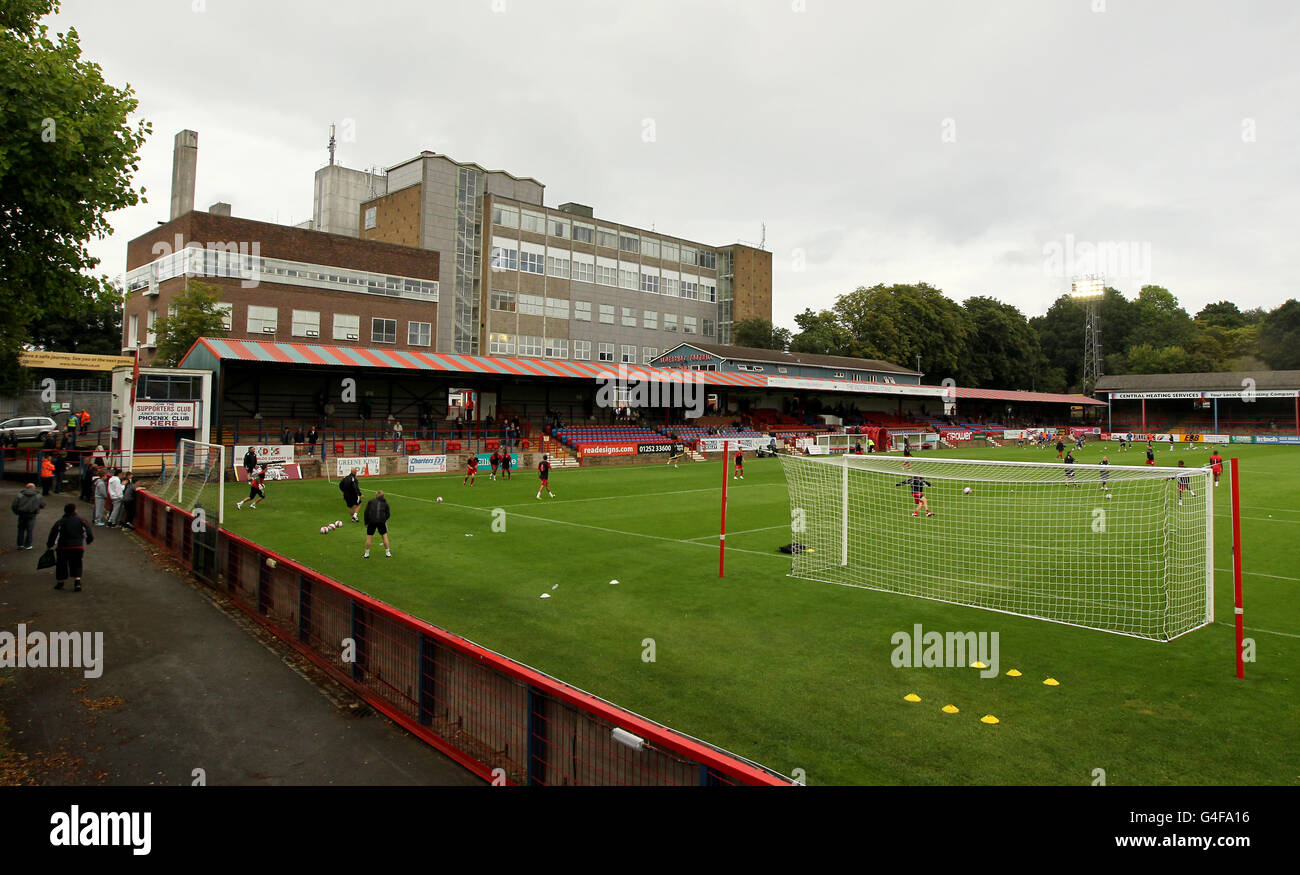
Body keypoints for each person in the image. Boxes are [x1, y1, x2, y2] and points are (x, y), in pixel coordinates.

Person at [47, 503, 94, 592]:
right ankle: (77, 582)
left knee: (61, 564)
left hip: (63, 547)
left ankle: (60, 582)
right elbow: (88, 531)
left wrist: (49, 545)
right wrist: (89, 540)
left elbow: (54, 535)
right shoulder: (81, 520)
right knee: (77, 563)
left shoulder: (60, 522)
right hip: (77, 546)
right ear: (75, 510)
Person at [11, 482, 45, 550]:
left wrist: (17, 512)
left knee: (21, 530)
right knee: (30, 530)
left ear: (26, 488)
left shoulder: (20, 495)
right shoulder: (38, 495)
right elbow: (42, 505)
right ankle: (28, 545)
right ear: (33, 488)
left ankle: (20, 544)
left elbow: (14, 505)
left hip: (22, 514)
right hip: (32, 515)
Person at [362, 490, 392, 558]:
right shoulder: (385, 503)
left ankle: (366, 554)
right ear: (383, 496)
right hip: (381, 521)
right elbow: (388, 514)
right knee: (384, 536)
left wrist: (366, 522)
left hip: (371, 521)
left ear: (376, 495)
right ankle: (388, 553)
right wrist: (384, 519)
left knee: (369, 537)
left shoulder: (371, 501)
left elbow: (366, 512)